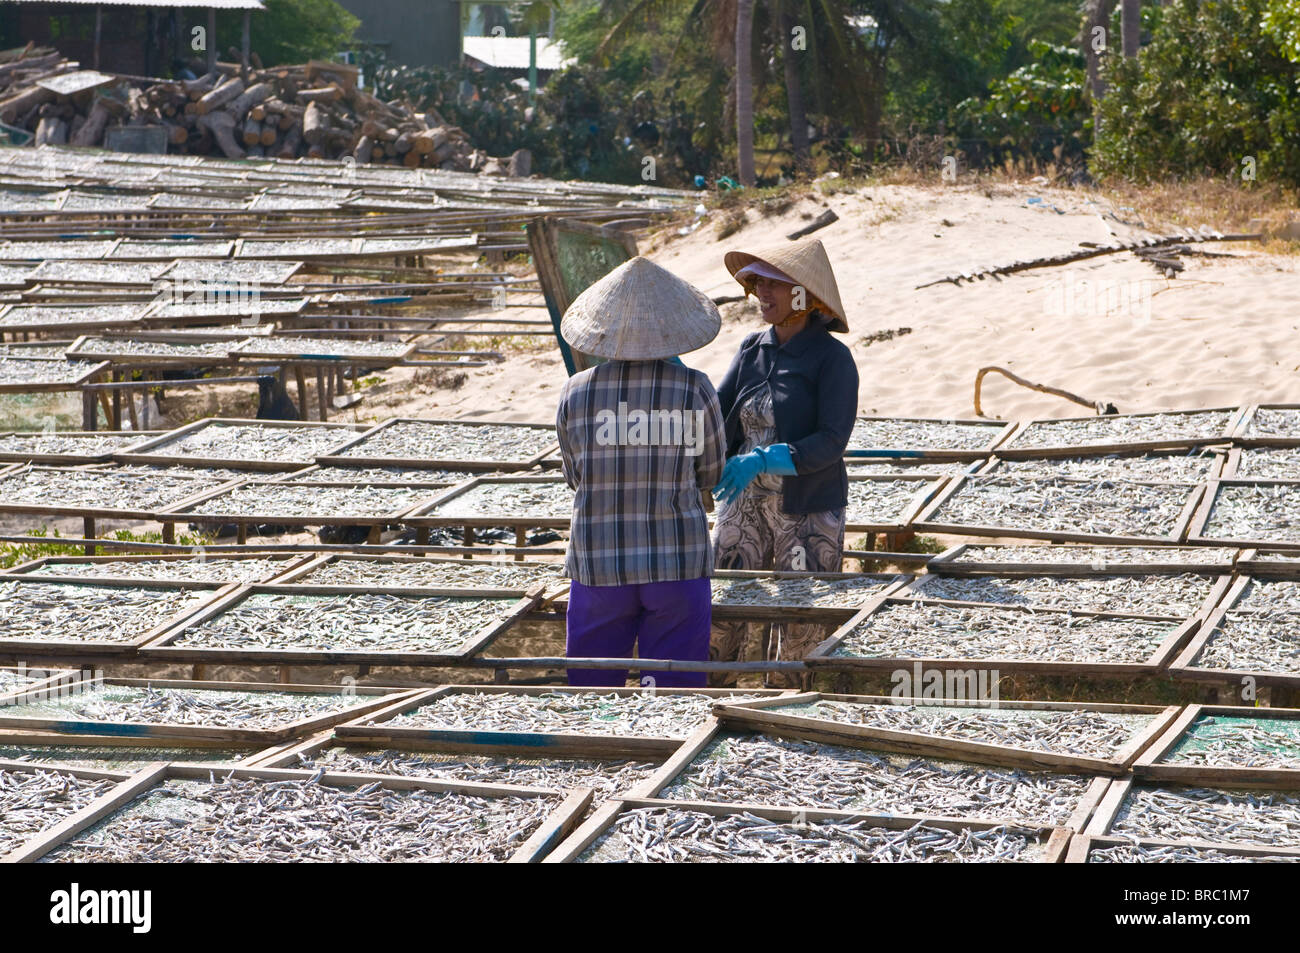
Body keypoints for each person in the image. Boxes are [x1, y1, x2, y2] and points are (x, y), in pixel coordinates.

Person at [556, 256, 726, 688]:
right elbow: (711, 472)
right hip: (676, 564)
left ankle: (595, 757)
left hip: (599, 566)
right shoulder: (694, 388)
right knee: (674, 695)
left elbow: (575, 476)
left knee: (592, 694)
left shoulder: (576, 391)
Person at [709, 238, 858, 687]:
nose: (762, 293)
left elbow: (833, 440)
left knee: (800, 618)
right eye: (757, 283)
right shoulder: (753, 348)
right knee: (725, 602)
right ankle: (710, 698)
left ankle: (782, 711)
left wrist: (767, 458)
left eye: (774, 283)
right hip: (743, 501)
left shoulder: (832, 359)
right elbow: (717, 410)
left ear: (806, 296)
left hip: (807, 506)